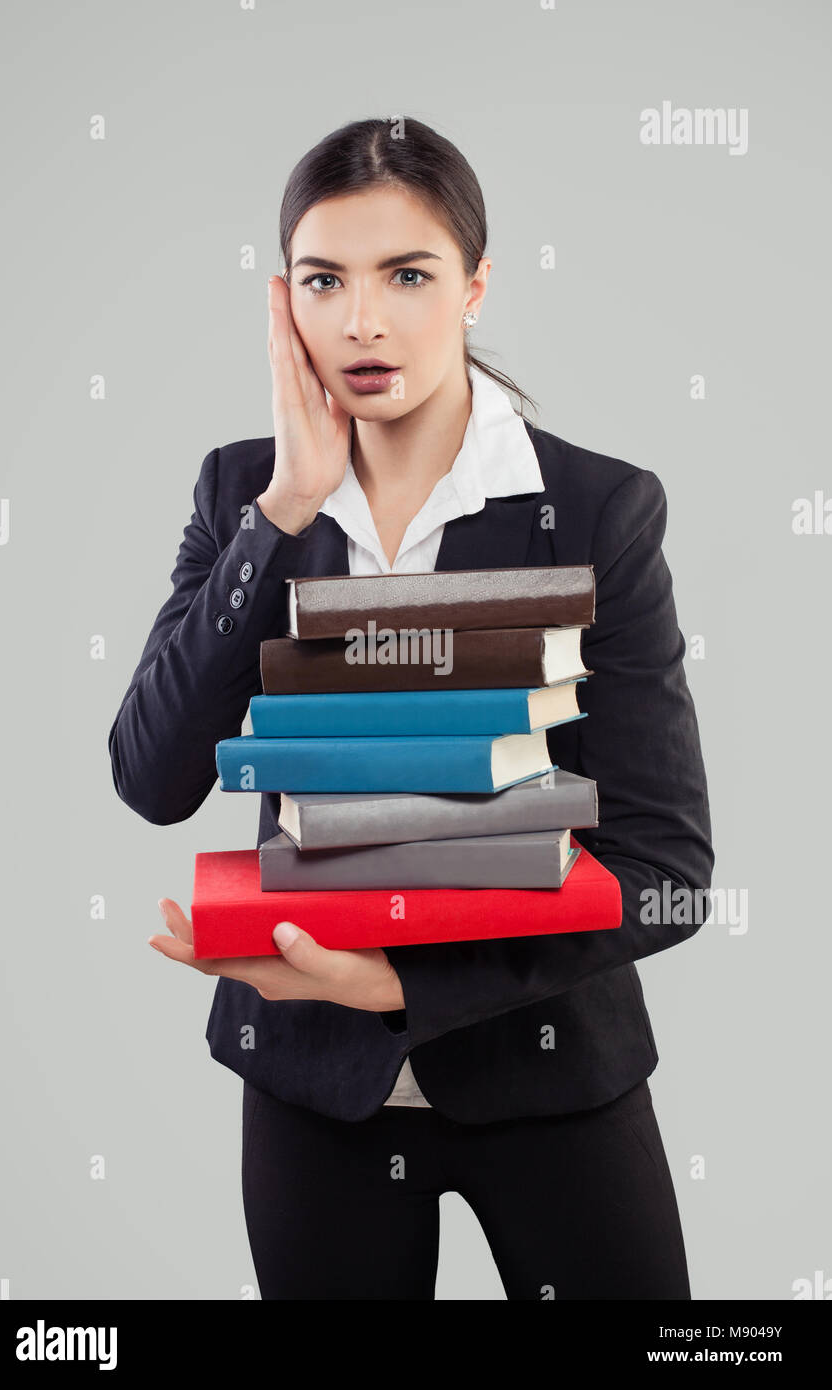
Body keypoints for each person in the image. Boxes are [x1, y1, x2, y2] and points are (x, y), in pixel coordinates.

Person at [108, 116, 714, 1300]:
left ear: (474, 287)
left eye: (407, 276)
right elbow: (151, 775)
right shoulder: (246, 491)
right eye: (326, 281)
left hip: (548, 1075)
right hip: (311, 1087)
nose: (363, 321)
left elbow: (665, 863)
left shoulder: (594, 509)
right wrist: (285, 506)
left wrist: (401, 985)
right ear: (285, 302)